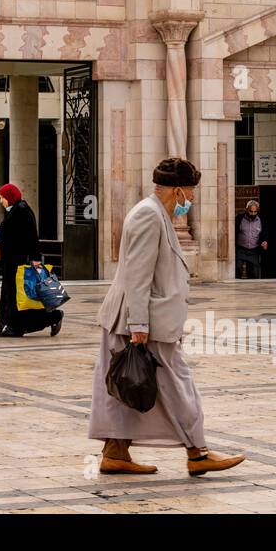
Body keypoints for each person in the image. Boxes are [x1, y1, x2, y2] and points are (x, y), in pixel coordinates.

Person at [90, 158, 245, 477]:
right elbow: (137, 274)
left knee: (127, 385)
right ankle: (198, 453)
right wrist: (139, 325)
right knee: (176, 385)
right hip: (142, 322)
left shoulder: (154, 212)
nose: (190, 201)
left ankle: (115, 453)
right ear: (177, 191)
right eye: (190, 194)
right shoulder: (149, 215)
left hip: (140, 319)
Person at [0, 182, 63, 338]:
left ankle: (53, 317)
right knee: (12, 297)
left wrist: (35, 258)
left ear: (10, 197)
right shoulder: (14, 211)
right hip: (11, 264)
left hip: (19, 263)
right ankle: (10, 325)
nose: (1, 201)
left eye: (2, 198)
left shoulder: (22, 210)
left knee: (21, 298)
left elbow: (32, 237)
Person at [234, 199, 268, 278]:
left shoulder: (261, 220)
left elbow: (265, 233)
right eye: (251, 211)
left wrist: (265, 241)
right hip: (240, 249)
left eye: (255, 212)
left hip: (254, 250)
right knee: (237, 268)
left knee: (254, 273)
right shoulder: (239, 219)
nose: (253, 214)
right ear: (246, 210)